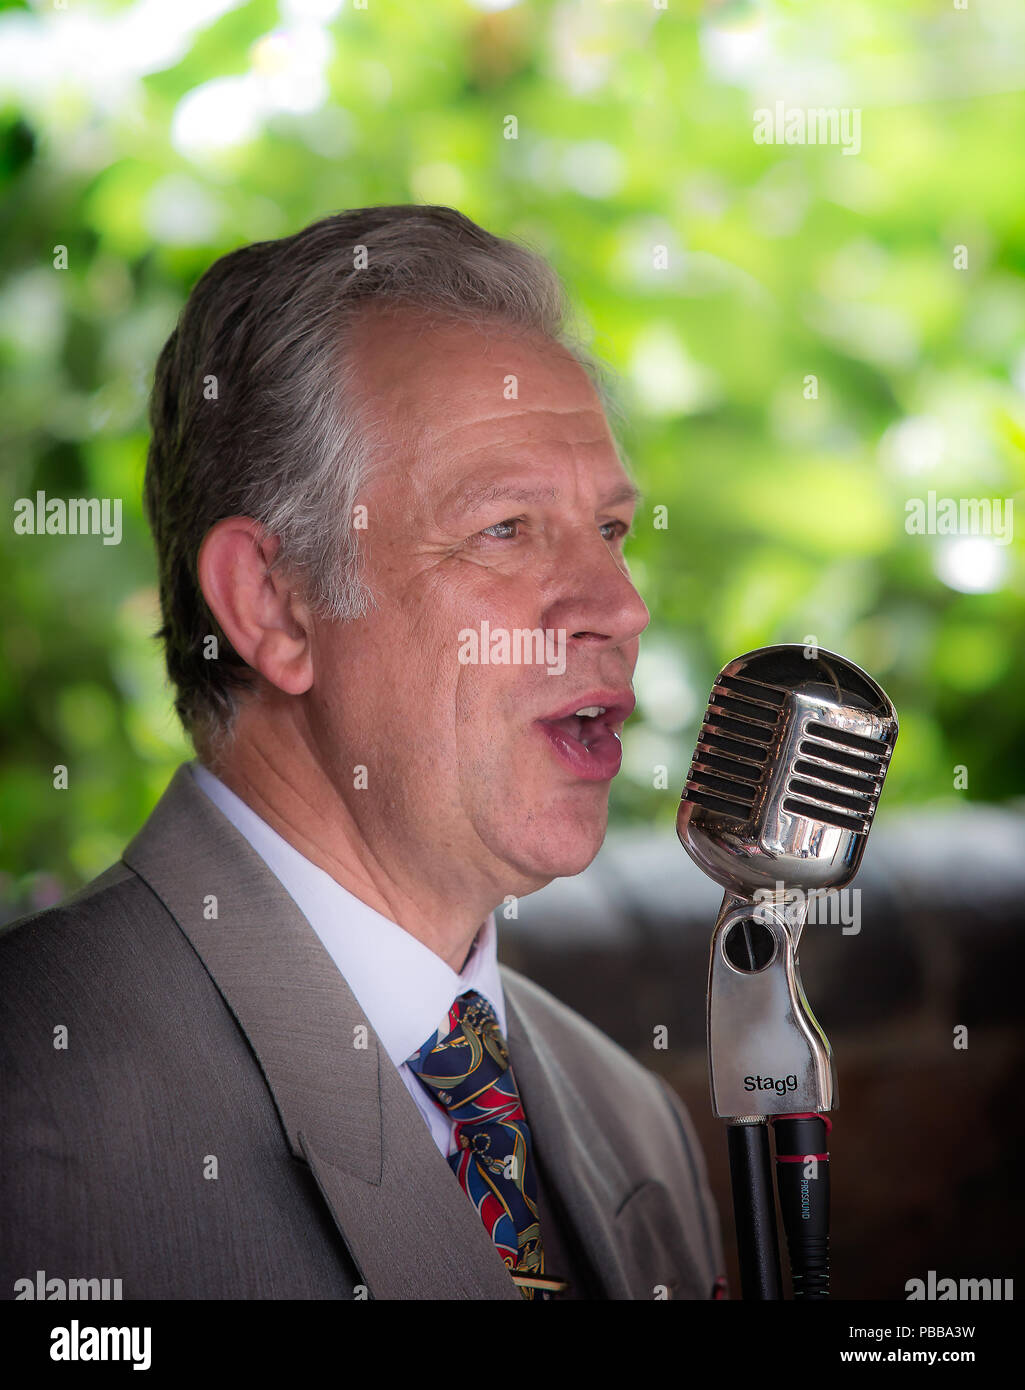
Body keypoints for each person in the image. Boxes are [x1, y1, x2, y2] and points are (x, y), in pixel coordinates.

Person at [0, 205, 724, 1301]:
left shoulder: (632, 1120)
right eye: (506, 529)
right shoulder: (34, 1102)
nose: (617, 607)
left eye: (610, 530)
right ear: (273, 604)